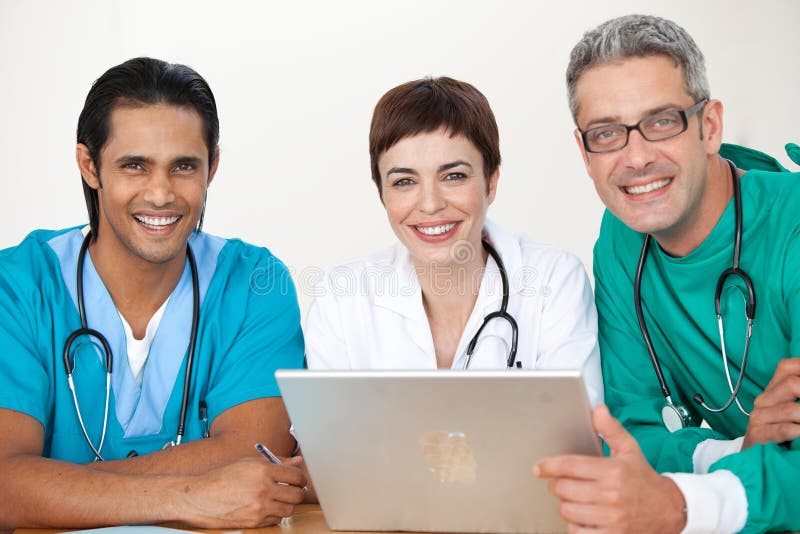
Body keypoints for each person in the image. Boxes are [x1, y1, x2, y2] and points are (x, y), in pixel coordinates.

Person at [0, 57, 306, 528]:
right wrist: (190, 496)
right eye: (135, 166)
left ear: (213, 167)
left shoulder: (254, 283)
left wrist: (54, 488)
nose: (161, 194)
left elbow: (257, 462)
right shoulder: (18, 286)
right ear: (90, 166)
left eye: (184, 166)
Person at [535, 14, 800, 533]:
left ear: (710, 127)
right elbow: (630, 432)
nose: (636, 158)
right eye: (607, 133)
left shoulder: (791, 230)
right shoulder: (620, 243)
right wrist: (734, 450)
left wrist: (682, 505)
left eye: (662, 122)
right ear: (584, 154)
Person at [305, 77, 602, 407]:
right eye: (404, 181)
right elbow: (329, 444)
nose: (430, 204)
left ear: (491, 182)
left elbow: (576, 439)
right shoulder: (341, 297)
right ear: (382, 193)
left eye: (454, 176)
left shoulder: (554, 280)